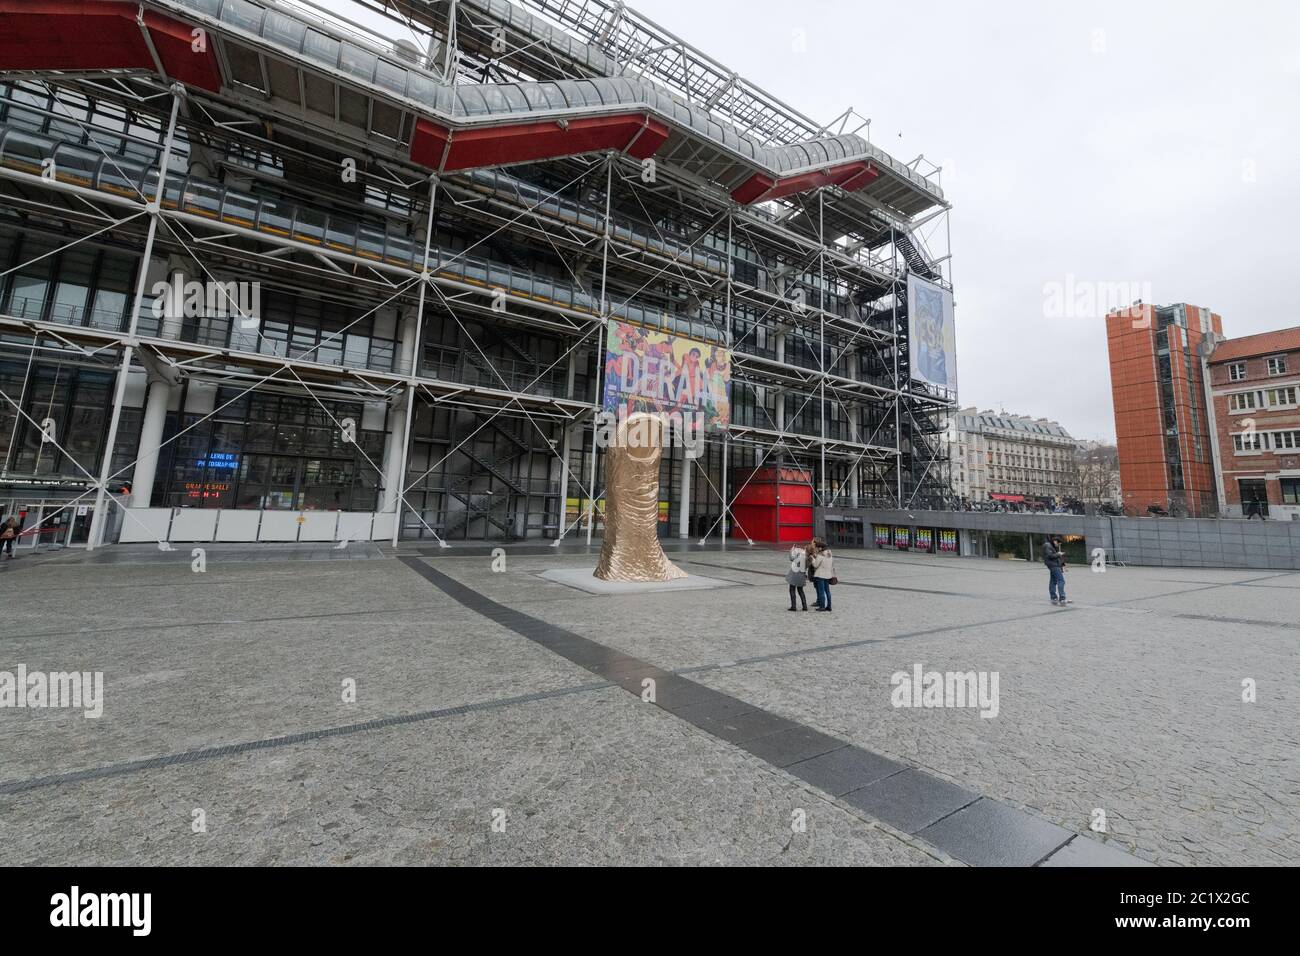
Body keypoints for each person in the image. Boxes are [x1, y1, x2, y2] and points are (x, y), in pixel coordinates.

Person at [810, 536, 836, 612]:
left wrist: (812, 559)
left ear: (820, 548)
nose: (817, 549)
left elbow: (815, 565)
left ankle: (822, 606)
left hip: (820, 575)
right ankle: (829, 606)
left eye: (818, 547)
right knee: (827, 591)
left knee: (821, 591)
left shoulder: (820, 555)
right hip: (828, 575)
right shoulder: (830, 554)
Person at [1044, 534, 1069, 606]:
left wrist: (1063, 565)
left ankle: (1054, 597)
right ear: (1055, 541)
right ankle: (1062, 598)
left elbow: (1057, 557)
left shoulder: (1052, 546)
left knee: (1053, 581)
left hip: (1054, 565)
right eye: (1058, 544)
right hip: (1053, 565)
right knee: (1061, 580)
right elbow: (1050, 556)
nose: (1058, 545)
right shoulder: (1048, 546)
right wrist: (1059, 554)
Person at [786, 543, 809, 611]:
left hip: (795, 574)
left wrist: (792, 550)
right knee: (800, 590)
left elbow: (791, 558)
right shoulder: (808, 557)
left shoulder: (800, 555)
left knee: (792, 589)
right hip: (802, 574)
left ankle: (794, 606)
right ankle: (804, 606)